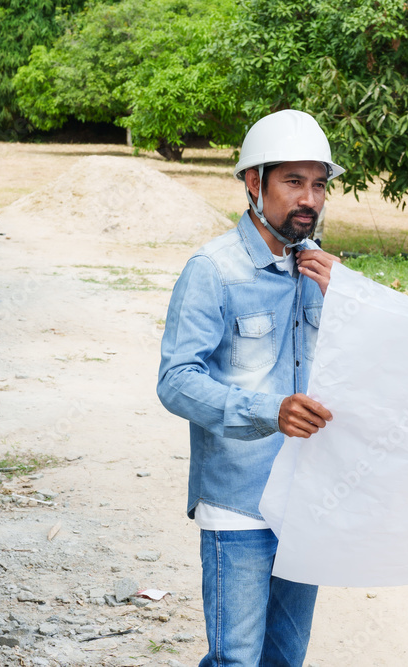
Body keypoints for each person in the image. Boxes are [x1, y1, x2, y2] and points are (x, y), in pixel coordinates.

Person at [157, 109, 342, 667]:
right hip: (239, 506)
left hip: (304, 502)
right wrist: (270, 410)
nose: (308, 197)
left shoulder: (322, 272)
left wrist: (351, 300)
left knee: (285, 657)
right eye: (293, 182)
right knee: (236, 659)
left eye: (318, 184)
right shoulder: (213, 270)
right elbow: (175, 381)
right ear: (254, 182)